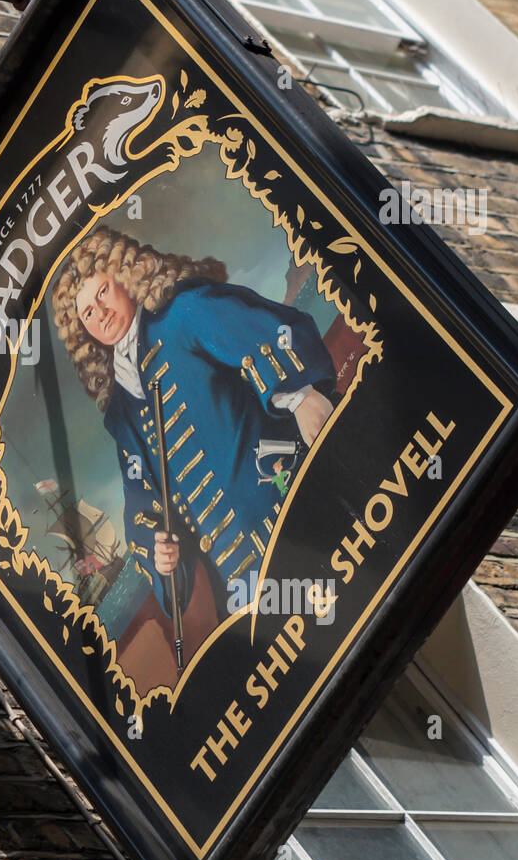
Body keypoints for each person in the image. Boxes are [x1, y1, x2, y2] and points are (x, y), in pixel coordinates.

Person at [50, 228, 336, 680]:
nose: (101, 312)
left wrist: (298, 395)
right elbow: (143, 500)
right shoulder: (122, 414)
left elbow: (259, 333)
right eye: (87, 312)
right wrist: (155, 550)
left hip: (286, 517)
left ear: (126, 276)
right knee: (298, 679)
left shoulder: (183, 314)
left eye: (103, 292)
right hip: (238, 577)